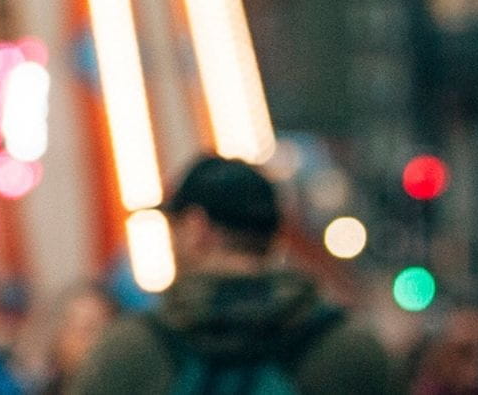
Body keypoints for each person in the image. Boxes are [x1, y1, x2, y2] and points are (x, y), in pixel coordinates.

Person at [69, 157, 394, 395]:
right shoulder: (353, 352)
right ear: (273, 235)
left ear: (197, 228)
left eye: (174, 229)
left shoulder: (130, 353)